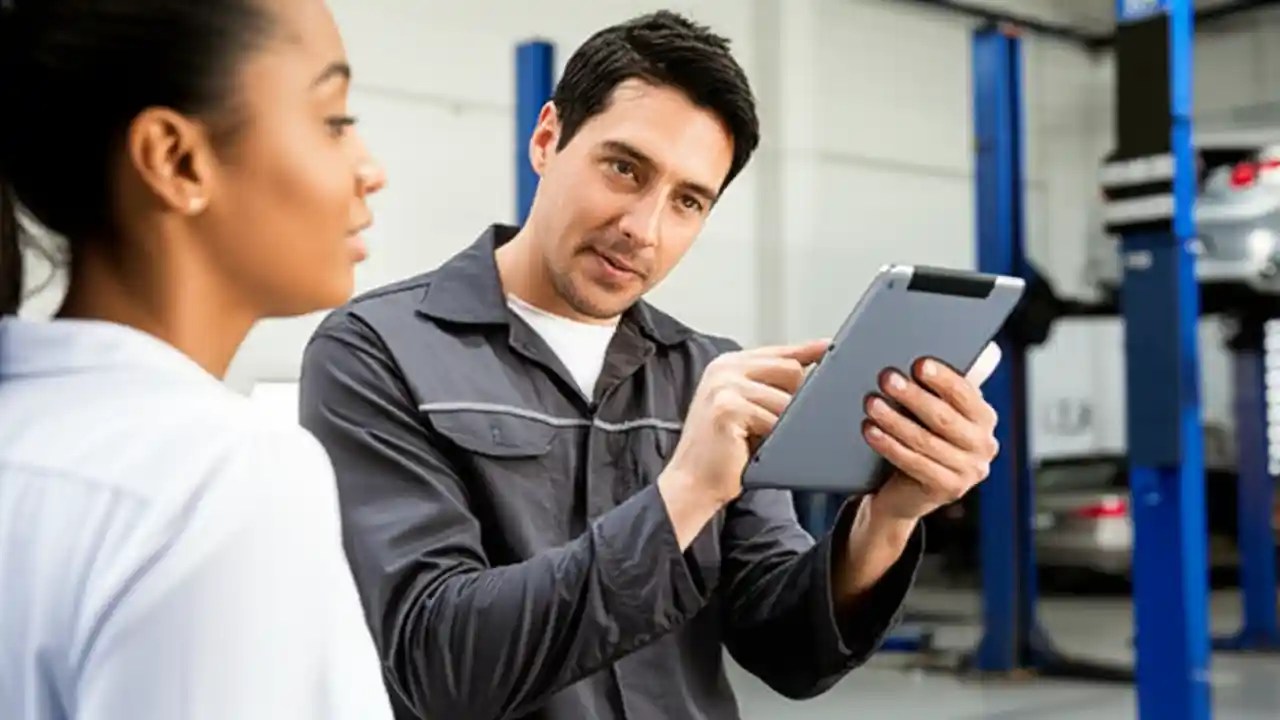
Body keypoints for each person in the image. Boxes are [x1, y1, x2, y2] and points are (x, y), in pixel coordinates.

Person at [299, 10, 1000, 720]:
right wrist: (685, 492)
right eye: (624, 168)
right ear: (547, 139)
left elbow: (788, 651)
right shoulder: (377, 352)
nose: (644, 228)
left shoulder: (707, 374)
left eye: (688, 201)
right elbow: (437, 663)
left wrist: (887, 517)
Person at [0, 1, 394, 718]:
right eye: (334, 121)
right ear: (175, 160)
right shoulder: (219, 475)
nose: (371, 170)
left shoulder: (32, 436)